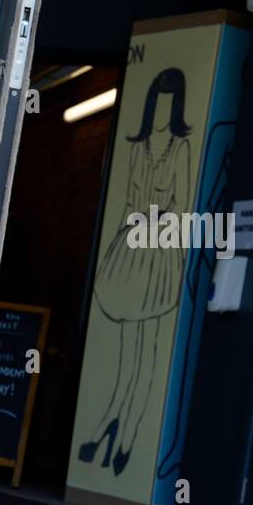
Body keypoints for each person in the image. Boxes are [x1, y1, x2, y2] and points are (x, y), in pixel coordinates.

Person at [78, 67, 193, 476]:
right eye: (156, 106)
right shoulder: (137, 148)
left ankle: (124, 432)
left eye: (168, 106)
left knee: (146, 352)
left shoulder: (180, 149)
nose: (161, 114)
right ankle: (113, 420)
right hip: (132, 247)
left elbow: (180, 208)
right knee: (130, 347)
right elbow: (128, 202)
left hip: (157, 251)